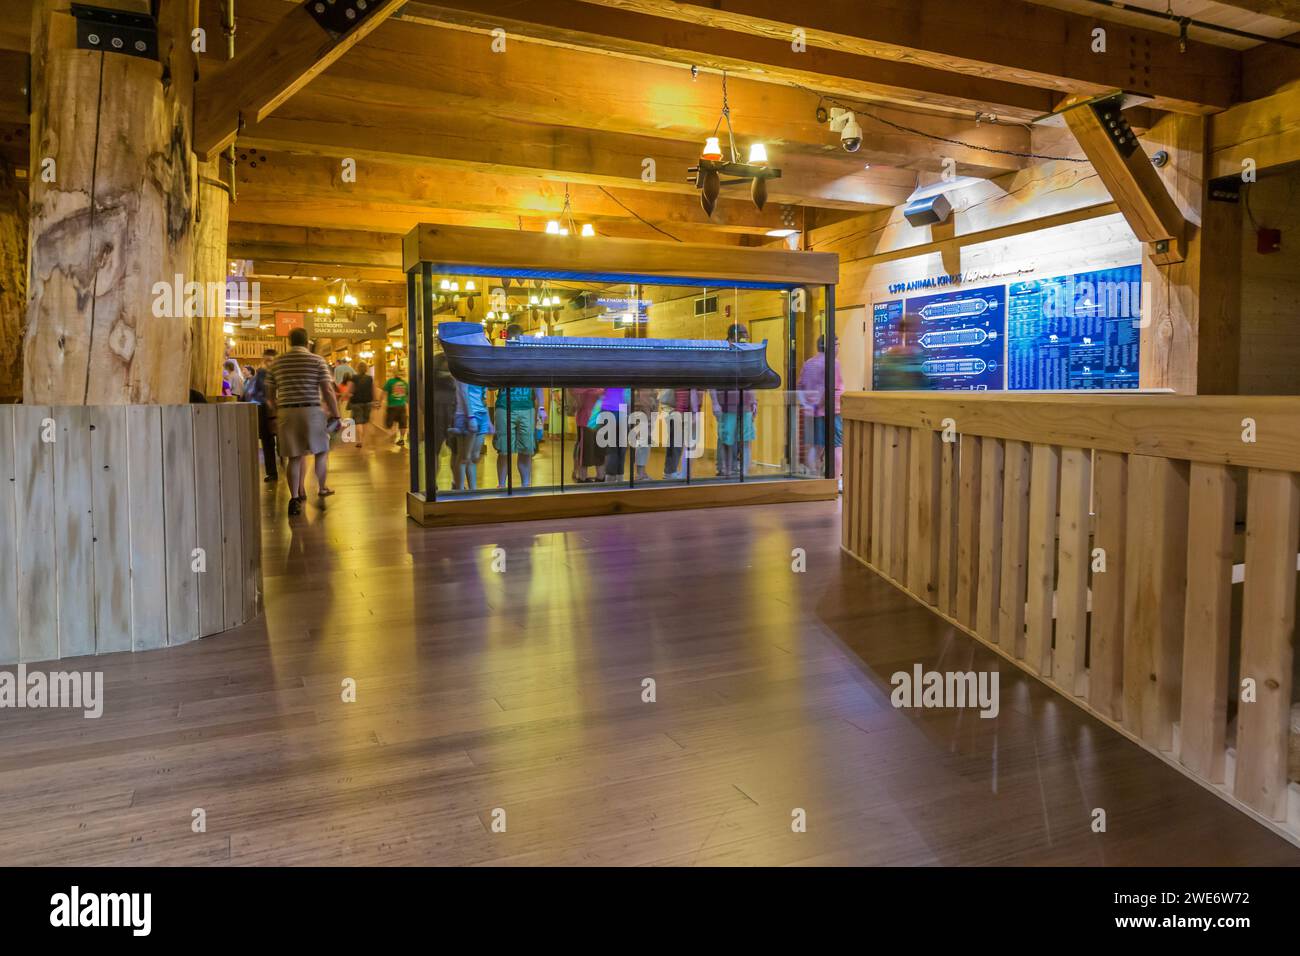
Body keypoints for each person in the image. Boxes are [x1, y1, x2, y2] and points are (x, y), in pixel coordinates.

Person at [266, 326, 341, 516]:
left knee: (294, 457)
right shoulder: (317, 360)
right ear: (308, 341)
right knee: (322, 451)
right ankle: (322, 488)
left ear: (290, 341)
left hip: (286, 412)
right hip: (312, 410)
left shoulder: (277, 362)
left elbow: (269, 395)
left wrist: (275, 413)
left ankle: (294, 498)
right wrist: (336, 413)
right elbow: (327, 390)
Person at [494, 324, 546, 488]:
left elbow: (538, 385)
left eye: (516, 339)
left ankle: (525, 485)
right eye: (511, 340)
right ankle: (501, 485)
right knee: (504, 450)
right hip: (505, 406)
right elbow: (491, 385)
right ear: (506, 339)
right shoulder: (500, 359)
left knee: (526, 450)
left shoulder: (530, 359)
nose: (513, 342)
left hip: (526, 407)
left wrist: (542, 408)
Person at [710, 324, 757, 478]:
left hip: (746, 404)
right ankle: (724, 469)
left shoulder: (749, 354)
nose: (743, 341)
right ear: (731, 338)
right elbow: (713, 382)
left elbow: (753, 380)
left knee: (746, 439)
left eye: (745, 338)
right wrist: (715, 402)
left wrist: (754, 401)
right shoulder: (721, 355)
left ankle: (743, 471)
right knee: (726, 438)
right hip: (727, 405)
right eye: (740, 337)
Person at [798, 333, 845, 478]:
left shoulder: (808, 363)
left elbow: (799, 387)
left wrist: (806, 405)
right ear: (830, 346)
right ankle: (836, 481)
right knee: (836, 446)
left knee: (816, 446)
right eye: (837, 345)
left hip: (812, 411)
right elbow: (829, 388)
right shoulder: (833, 363)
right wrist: (820, 404)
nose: (838, 348)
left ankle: (815, 477)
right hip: (830, 411)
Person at [242, 348, 280, 483]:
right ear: (263, 360)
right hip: (264, 410)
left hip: (278, 409)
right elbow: (254, 393)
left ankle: (280, 465)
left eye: (272, 361)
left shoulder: (277, 373)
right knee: (267, 442)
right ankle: (272, 472)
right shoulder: (261, 374)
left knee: (278, 442)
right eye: (267, 360)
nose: (269, 363)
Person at [453, 377, 493, 490]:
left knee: (475, 457)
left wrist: (488, 421)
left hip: (482, 414)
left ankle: (473, 490)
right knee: (464, 456)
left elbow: (483, 397)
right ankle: (459, 490)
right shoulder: (464, 369)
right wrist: (470, 416)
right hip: (466, 414)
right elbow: (463, 391)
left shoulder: (480, 370)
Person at [874, 313, 929, 390]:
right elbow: (885, 384)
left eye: (913, 331)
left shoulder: (918, 355)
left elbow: (924, 384)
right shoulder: (890, 356)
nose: (911, 334)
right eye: (908, 330)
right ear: (901, 332)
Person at [570, 387, 605, 483]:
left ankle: (599, 476)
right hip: (586, 421)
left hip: (597, 421)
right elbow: (577, 402)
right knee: (585, 451)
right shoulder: (581, 387)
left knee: (598, 449)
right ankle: (583, 477)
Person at [349, 361, 376, 449]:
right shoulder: (370, 378)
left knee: (358, 421)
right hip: (368, 402)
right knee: (365, 421)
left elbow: (351, 390)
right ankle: (364, 439)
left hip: (356, 402)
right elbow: (373, 390)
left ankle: (360, 440)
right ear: (366, 368)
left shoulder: (354, 377)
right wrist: (375, 400)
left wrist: (347, 395)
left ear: (357, 368)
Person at [382, 368, 410, 446]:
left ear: (394, 374)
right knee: (403, 423)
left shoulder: (390, 382)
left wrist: (379, 401)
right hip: (402, 406)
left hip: (392, 406)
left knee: (389, 423)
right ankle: (401, 439)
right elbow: (407, 395)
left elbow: (384, 392)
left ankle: (391, 435)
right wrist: (406, 402)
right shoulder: (405, 383)